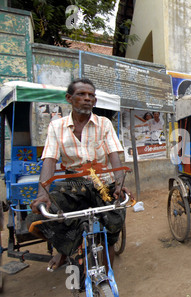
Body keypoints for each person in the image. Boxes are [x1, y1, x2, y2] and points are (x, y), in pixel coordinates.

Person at [29, 78, 134, 271]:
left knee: (114, 221)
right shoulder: (56, 126)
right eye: (81, 94)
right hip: (73, 185)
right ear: (70, 98)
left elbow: (114, 156)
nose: (87, 99)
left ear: (94, 101)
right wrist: (42, 194)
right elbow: (49, 160)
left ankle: (106, 273)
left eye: (91, 95)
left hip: (103, 184)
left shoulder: (104, 124)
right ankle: (67, 249)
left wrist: (119, 183)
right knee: (40, 218)